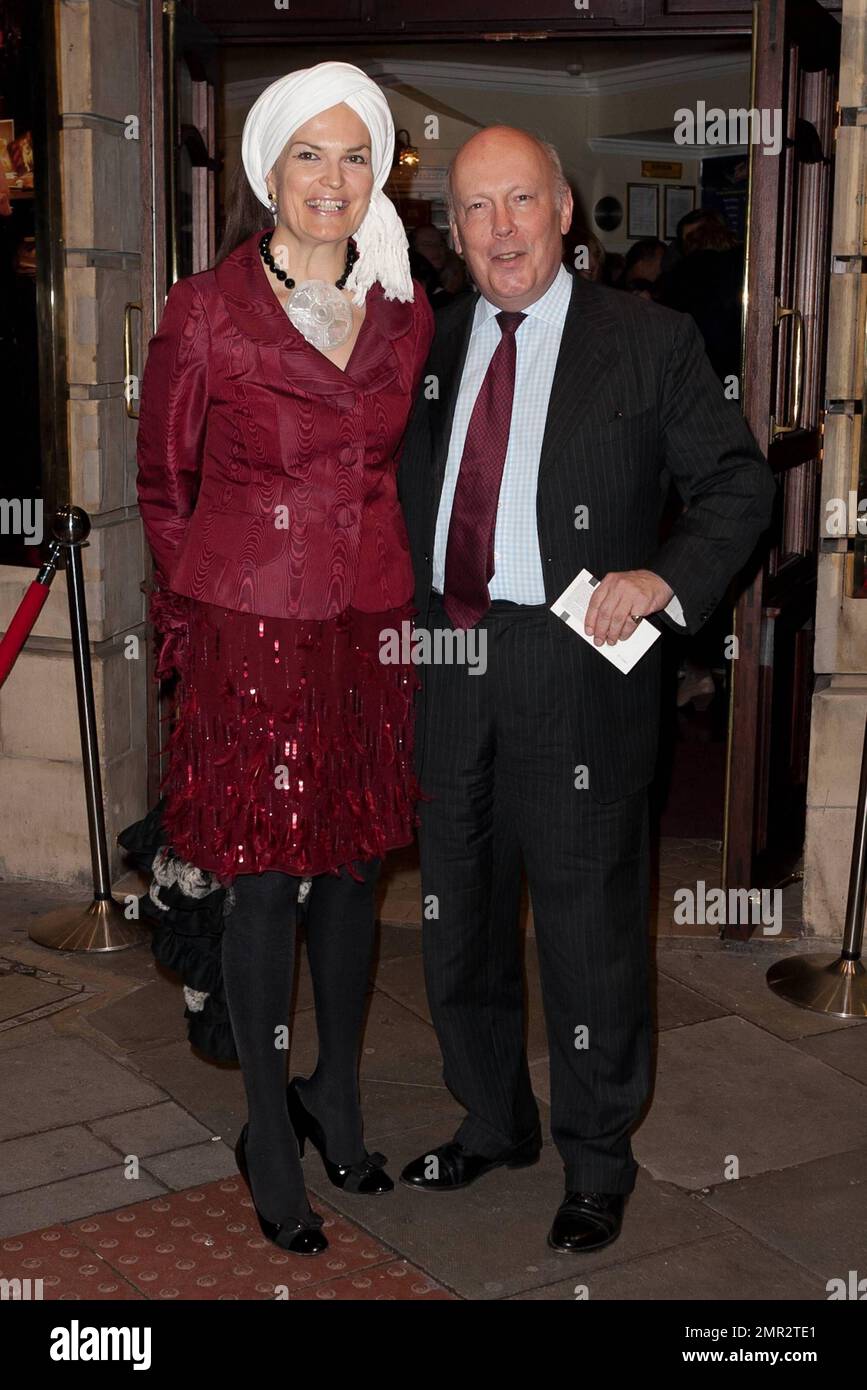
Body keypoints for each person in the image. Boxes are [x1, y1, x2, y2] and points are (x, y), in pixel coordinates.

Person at [396, 126, 775, 1253]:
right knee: (454, 919)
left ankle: (596, 1158)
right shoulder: (431, 343)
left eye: (520, 201)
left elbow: (739, 484)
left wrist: (664, 578)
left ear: (565, 211)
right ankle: (493, 1119)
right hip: (449, 661)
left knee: (589, 932)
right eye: (475, 208)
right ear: (454, 232)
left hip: (580, 670)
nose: (501, 228)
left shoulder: (649, 342)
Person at [134, 61, 434, 1256]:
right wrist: (190, 626)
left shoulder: (408, 309)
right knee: (264, 881)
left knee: (356, 870)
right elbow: (163, 484)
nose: (334, 178)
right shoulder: (203, 308)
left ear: (377, 175)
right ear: (270, 170)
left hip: (367, 625)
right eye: (310, 154)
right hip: (249, 628)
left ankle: (337, 1099)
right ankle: (268, 1127)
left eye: (355, 154)